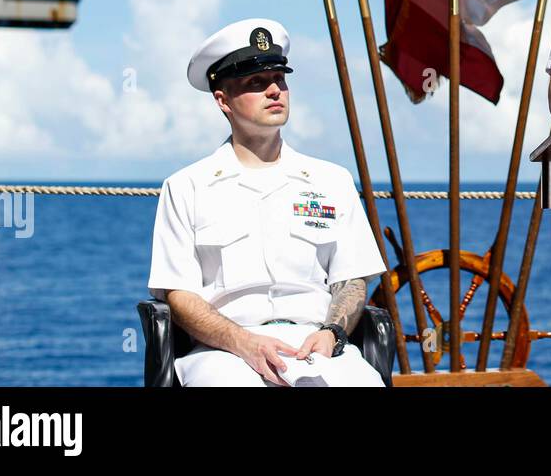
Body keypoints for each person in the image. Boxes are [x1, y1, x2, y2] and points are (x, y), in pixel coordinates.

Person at [148, 19, 386, 386]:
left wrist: (332, 333)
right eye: (256, 83)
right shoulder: (186, 187)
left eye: (280, 79)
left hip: (317, 347)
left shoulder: (332, 182)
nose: (275, 90)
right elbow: (179, 294)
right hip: (225, 354)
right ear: (222, 100)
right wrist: (244, 343)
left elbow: (351, 279)